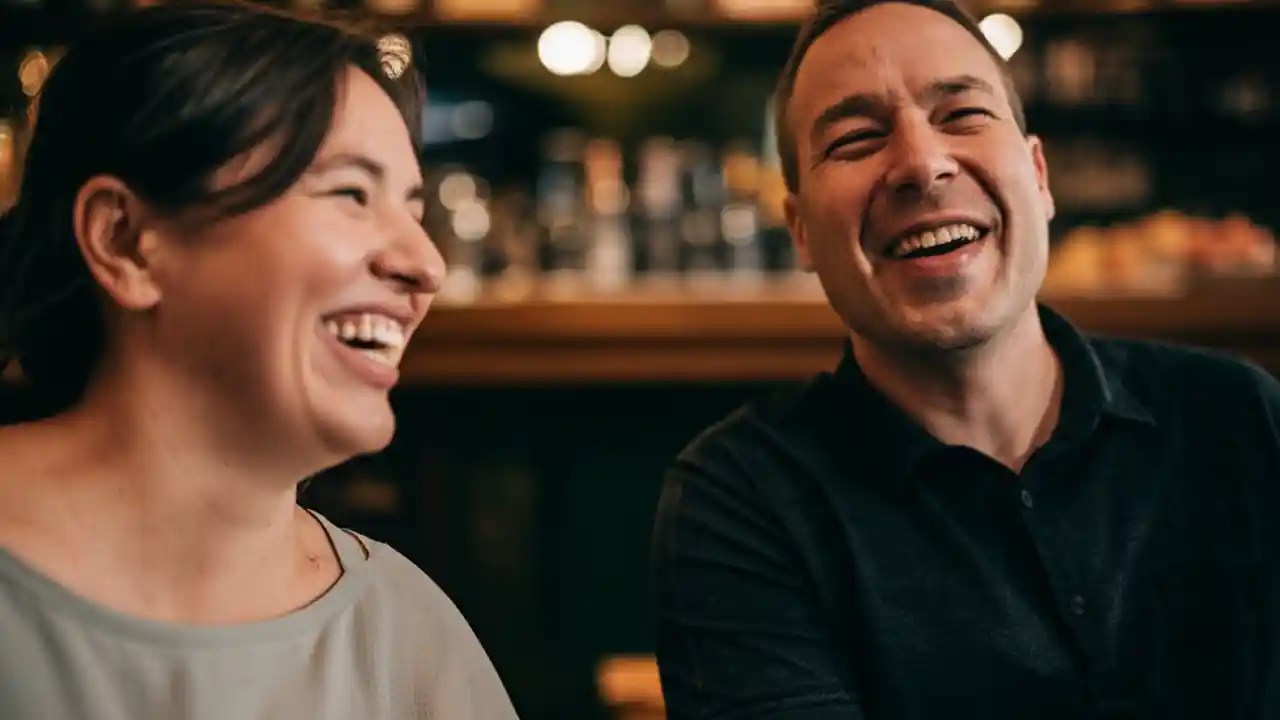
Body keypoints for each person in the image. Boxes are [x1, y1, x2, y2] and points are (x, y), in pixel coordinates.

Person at [651, 1, 1280, 717]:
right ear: (799, 231)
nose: (921, 163)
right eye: (857, 139)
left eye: (962, 115)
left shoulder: (1236, 419)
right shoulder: (745, 502)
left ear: (1039, 177)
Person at [0, 3, 518, 719]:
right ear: (126, 240)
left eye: (411, 205)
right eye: (350, 193)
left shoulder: (403, 633)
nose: (425, 264)